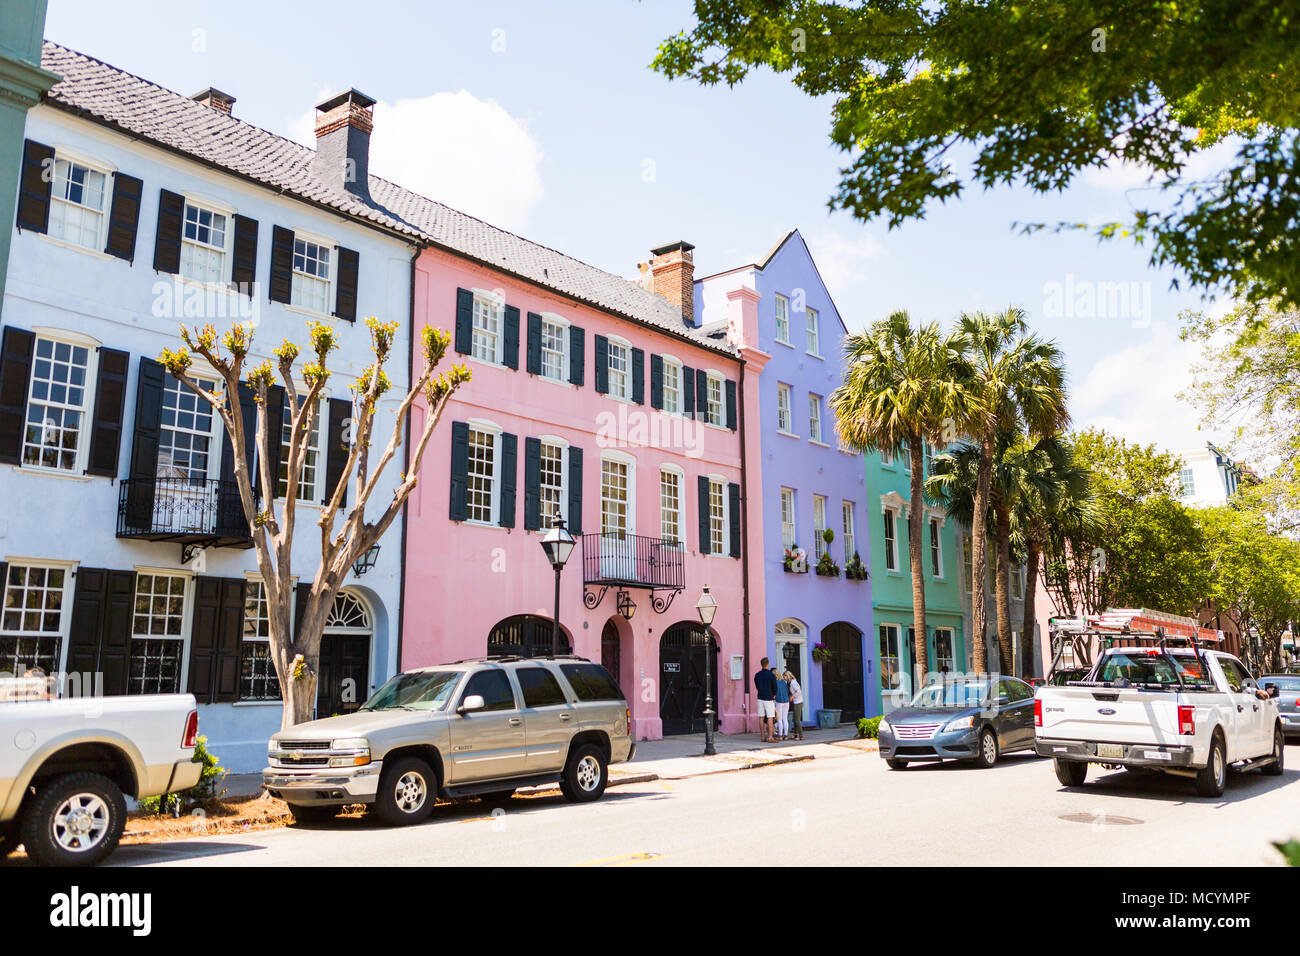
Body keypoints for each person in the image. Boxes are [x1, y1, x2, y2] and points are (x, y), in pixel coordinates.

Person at [754, 657, 777, 742]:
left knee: (761, 717)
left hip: (760, 697)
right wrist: (774, 694)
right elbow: (775, 686)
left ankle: (763, 736)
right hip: (768, 697)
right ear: (768, 664)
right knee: (770, 717)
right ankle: (770, 737)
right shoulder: (771, 675)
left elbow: (757, 686)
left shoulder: (757, 675)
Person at [785, 669, 804, 740]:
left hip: (798, 702)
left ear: (788, 676)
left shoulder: (793, 682)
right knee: (794, 719)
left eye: (785, 677)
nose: (784, 678)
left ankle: (801, 735)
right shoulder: (790, 683)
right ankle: (795, 734)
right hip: (796, 702)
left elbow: (799, 691)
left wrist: (793, 696)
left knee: (797, 720)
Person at [774, 667, 790, 740]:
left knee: (779, 719)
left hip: (779, 701)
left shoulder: (775, 683)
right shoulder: (784, 682)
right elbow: (787, 691)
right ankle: (786, 735)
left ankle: (780, 735)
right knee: (785, 719)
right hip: (786, 701)